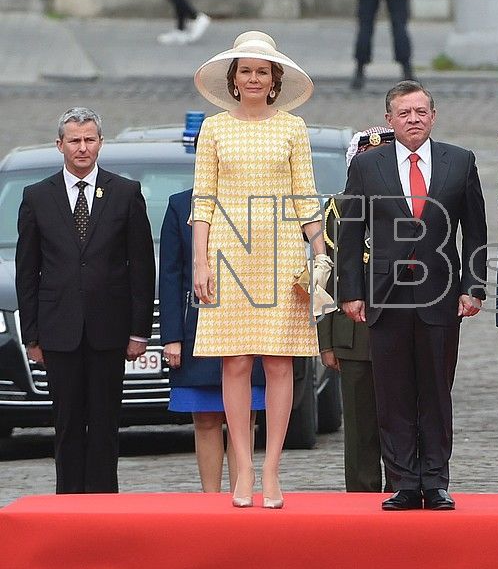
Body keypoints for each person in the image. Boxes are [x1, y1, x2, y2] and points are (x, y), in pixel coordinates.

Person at [191, 31, 329, 509]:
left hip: (280, 254)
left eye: (262, 71)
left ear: (275, 80)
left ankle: (271, 469)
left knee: (279, 363)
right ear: (234, 79)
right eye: (246, 70)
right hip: (228, 255)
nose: (253, 78)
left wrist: (320, 248)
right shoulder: (214, 128)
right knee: (234, 362)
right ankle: (243, 468)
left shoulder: (293, 128)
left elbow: (306, 197)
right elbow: (202, 200)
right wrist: (199, 261)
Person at [338, 81, 487, 511]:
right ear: (389, 120)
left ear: (433, 116)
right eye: (404, 113)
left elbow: (475, 233)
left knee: (436, 392)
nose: (414, 119)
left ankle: (436, 480)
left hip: (440, 294)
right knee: (393, 392)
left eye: (421, 112)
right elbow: (351, 233)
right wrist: (351, 292)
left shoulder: (459, 162)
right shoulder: (369, 166)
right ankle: (403, 480)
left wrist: (473, 287)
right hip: (385, 296)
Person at [15, 107, 156, 494]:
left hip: (108, 331)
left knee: (105, 424)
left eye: (89, 140)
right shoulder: (37, 197)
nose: (82, 148)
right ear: (59, 145)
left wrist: (139, 332)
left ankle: (103, 508)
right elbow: (27, 271)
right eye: (74, 141)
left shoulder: (125, 193)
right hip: (58, 332)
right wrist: (32, 336)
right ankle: (68, 508)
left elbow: (142, 269)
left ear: (100, 144)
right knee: (67, 425)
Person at [159, 188, 266, 493]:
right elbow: (170, 275)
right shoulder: (180, 204)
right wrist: (172, 338)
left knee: (242, 421)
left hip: (248, 323)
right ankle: (211, 501)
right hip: (198, 326)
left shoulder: (253, 198)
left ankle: (241, 494)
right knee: (205, 418)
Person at [317, 129, 391, 493]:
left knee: (405, 421)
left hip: (402, 323)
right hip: (353, 330)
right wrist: (327, 339)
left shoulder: (415, 199)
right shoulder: (339, 207)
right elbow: (328, 275)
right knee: (360, 427)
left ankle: (405, 489)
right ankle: (361, 500)